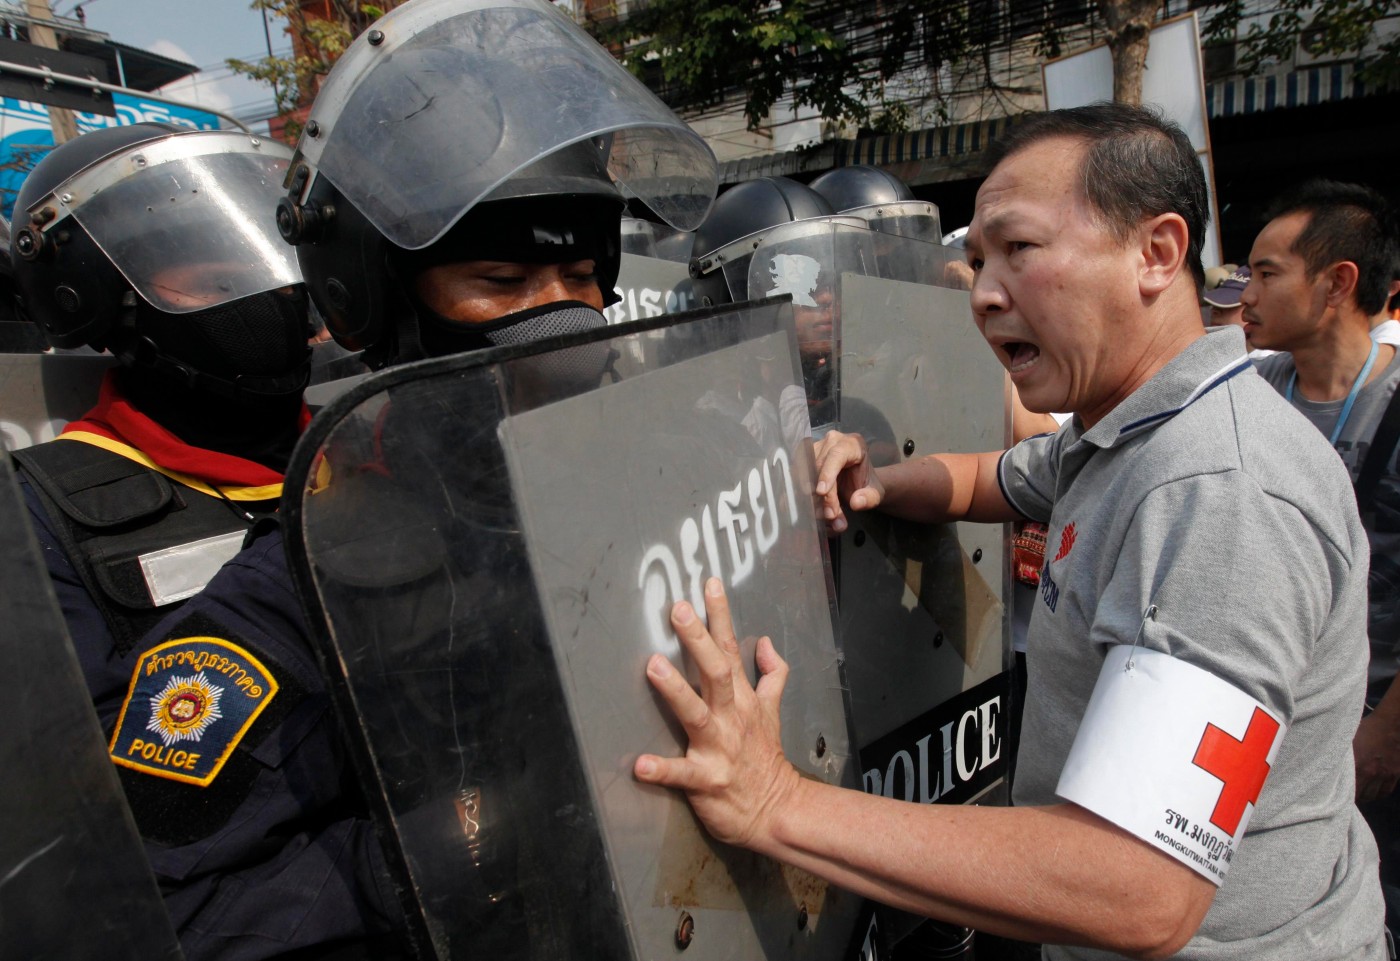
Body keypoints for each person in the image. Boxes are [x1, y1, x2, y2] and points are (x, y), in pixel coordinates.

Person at [634, 102, 1386, 959]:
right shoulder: (1129, 432)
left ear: (1157, 252)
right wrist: (874, 476)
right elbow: (989, 479)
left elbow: (1136, 887)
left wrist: (777, 802)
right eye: (978, 258)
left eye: (1019, 250)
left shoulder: (1221, 495)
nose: (985, 293)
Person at [9, 123, 406, 959]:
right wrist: (405, 863)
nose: (268, 294)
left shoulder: (382, 441)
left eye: (268, 260)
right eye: (214, 275)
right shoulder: (38, 522)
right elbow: (104, 859)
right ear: (93, 295)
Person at [1239, 178, 1400, 925]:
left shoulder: (1393, 404)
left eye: (1267, 273)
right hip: (1269, 718)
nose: (1246, 293)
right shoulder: (1246, 390)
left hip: (1371, 720)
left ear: (1338, 284)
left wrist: (1385, 732)